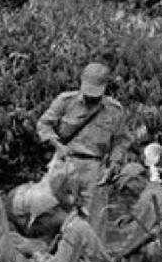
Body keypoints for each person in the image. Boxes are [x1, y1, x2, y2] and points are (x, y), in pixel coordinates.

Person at [36, 62, 128, 238]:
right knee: (53, 212)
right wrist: (57, 145)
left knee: (94, 219)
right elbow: (43, 124)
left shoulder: (114, 110)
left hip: (94, 168)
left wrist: (114, 164)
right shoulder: (65, 101)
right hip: (65, 163)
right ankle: (55, 258)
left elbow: (121, 140)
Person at [114, 162, 162, 262]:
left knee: (133, 253)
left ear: (137, 179)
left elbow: (139, 232)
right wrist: (130, 217)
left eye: (128, 186)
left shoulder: (149, 196)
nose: (129, 191)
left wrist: (121, 254)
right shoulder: (154, 188)